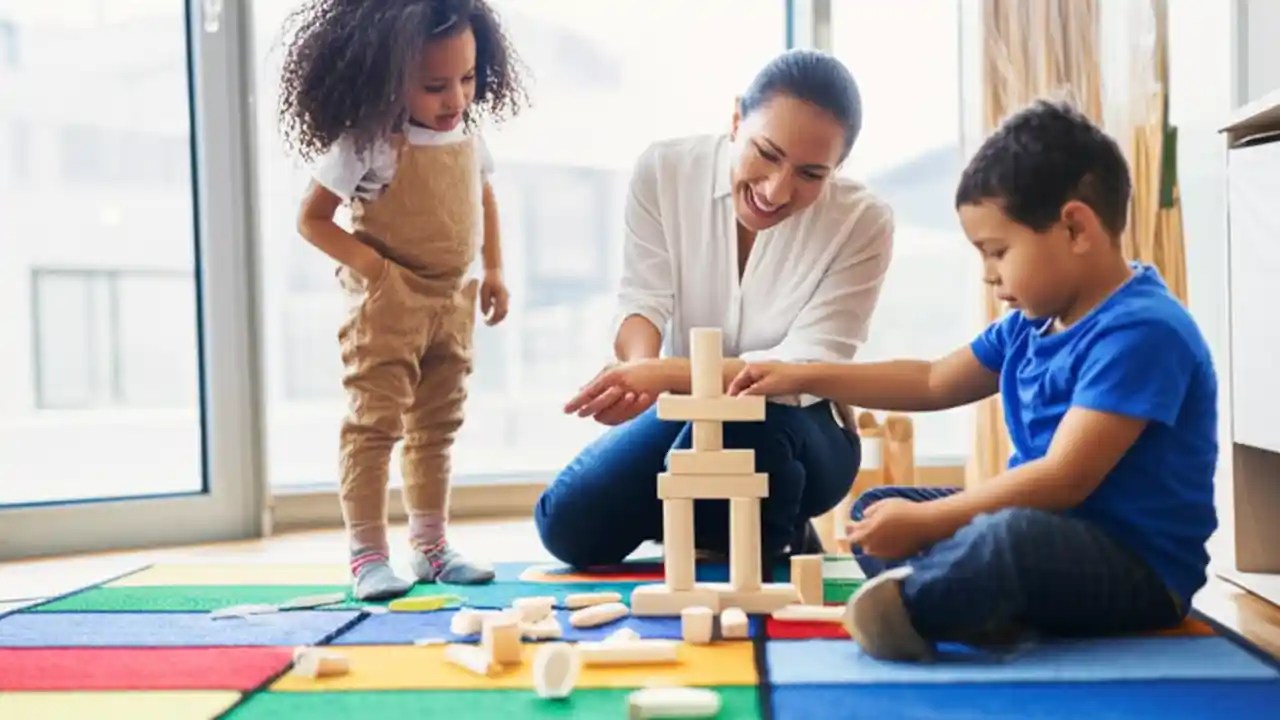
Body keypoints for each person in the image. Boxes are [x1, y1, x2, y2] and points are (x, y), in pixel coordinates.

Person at [727, 99, 1218, 661]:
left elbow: (1063, 479)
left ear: (1075, 228)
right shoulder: (1029, 325)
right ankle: (970, 600)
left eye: (998, 252)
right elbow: (934, 381)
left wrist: (931, 521)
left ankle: (918, 609)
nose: (988, 274)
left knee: (1003, 541)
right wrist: (803, 373)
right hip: (1045, 531)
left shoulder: (1143, 331)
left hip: (1138, 570)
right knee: (880, 507)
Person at [535, 49, 895, 569]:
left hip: (804, 427)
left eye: (811, 174)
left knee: (746, 428)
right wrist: (640, 375)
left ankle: (763, 540)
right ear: (735, 121)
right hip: (686, 410)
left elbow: (801, 368)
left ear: (837, 169)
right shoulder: (665, 170)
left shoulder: (864, 222)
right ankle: (747, 519)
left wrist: (663, 373)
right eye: (767, 154)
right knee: (567, 525)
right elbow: (643, 300)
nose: (777, 190)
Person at [278, 0, 528, 600]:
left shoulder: (466, 135)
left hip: (453, 299)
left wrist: (493, 269)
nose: (456, 99)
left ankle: (432, 546)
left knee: (438, 425)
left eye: (467, 80)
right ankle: (368, 554)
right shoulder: (368, 142)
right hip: (389, 306)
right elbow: (312, 219)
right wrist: (375, 271)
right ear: (390, 78)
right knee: (374, 425)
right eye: (434, 85)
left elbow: (484, 198)